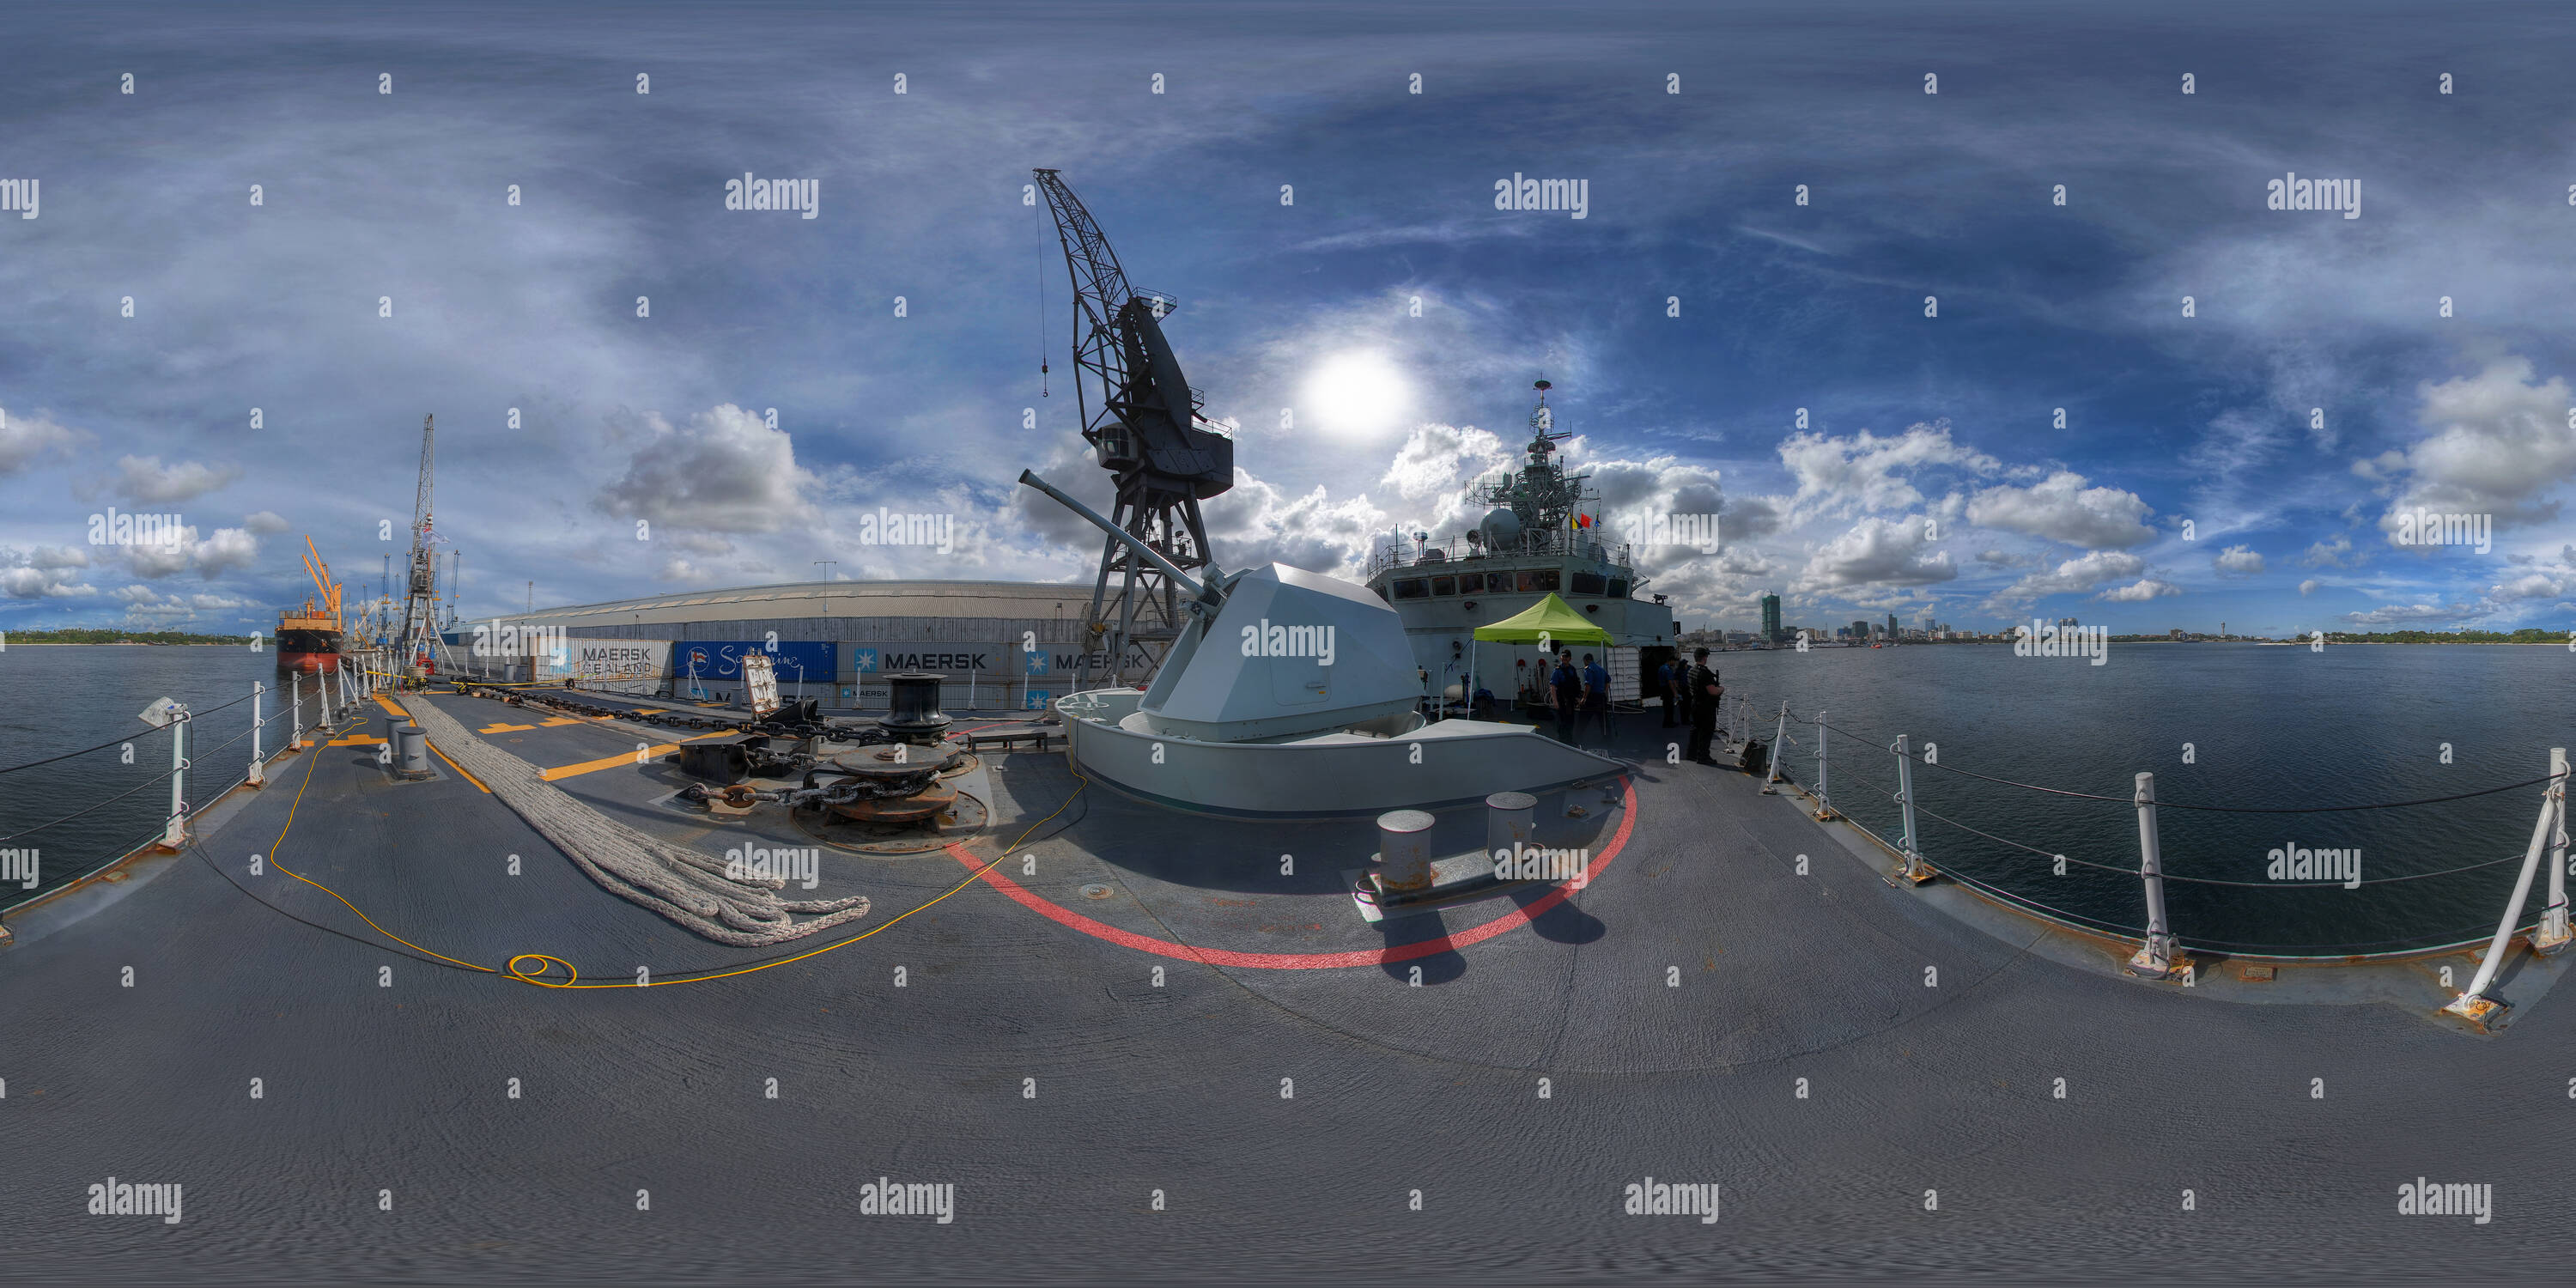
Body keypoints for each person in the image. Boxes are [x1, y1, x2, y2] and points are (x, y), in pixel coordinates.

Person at [1686, 647, 1722, 764]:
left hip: (1695, 704)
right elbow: (1713, 691)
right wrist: (1721, 689)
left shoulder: (1691, 671)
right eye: (1706, 656)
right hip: (1706, 707)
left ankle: (1691, 754)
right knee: (1706, 732)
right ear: (1704, 658)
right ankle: (1703, 757)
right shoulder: (1705, 673)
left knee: (1695, 729)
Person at [1549, 650, 1582, 744]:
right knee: (1562, 722)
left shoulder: (1572, 669)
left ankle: (1569, 740)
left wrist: (1577, 697)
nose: (1565, 659)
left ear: (1570, 658)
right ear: (1561, 658)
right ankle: (1562, 742)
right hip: (1561, 700)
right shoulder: (1557, 670)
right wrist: (1555, 701)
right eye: (1563, 657)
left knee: (1571, 721)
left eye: (1566, 657)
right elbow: (1553, 686)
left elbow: (1576, 684)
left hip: (1571, 700)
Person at [1581, 652, 1613, 740]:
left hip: (1592, 697)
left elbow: (1588, 685)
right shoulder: (1601, 669)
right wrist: (1605, 691)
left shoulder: (1588, 669)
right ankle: (1608, 739)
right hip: (1601, 697)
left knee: (1583, 718)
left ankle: (1578, 737)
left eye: (1584, 662)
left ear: (1586, 661)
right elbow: (1608, 680)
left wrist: (1584, 698)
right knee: (1603, 719)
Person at [1656, 656, 1680, 728]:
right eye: (1674, 661)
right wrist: (1675, 693)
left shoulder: (1661, 668)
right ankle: (1668, 723)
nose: (1675, 663)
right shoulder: (1668, 670)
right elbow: (1670, 683)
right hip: (1667, 689)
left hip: (1663, 689)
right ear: (1670, 661)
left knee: (1666, 707)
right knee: (1670, 707)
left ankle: (1667, 722)